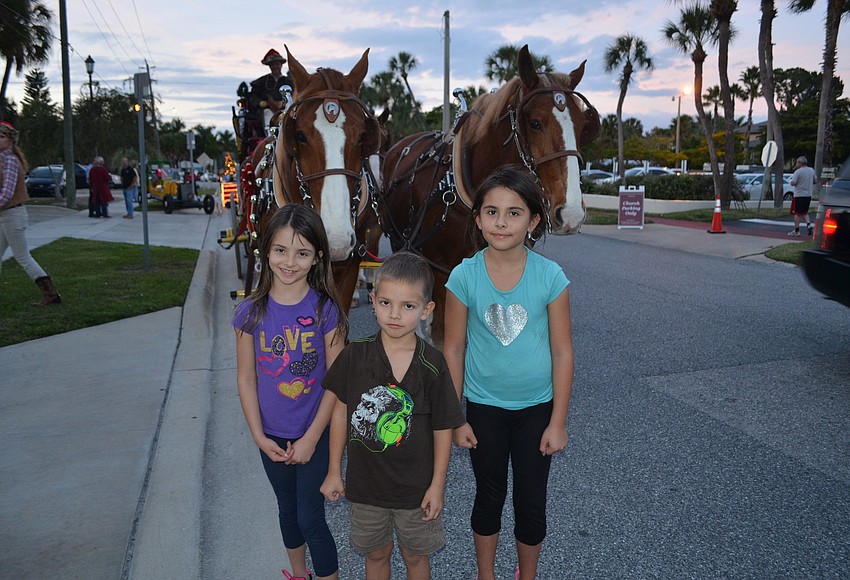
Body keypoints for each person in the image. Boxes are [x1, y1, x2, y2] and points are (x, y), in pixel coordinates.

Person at [443, 167, 575, 580]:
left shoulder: (550, 277)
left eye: (514, 213)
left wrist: (558, 422)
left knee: (531, 502)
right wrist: (455, 416)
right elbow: (454, 348)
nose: (502, 222)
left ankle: (528, 574)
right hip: (484, 409)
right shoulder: (464, 276)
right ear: (478, 218)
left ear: (533, 221)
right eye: (492, 211)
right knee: (488, 496)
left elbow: (562, 352)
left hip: (537, 409)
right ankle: (487, 574)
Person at [320, 252, 465, 580]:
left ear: (427, 310)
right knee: (376, 554)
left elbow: (443, 427)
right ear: (372, 300)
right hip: (366, 489)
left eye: (408, 306)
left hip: (416, 492)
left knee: (415, 557)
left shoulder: (434, 365)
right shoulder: (354, 356)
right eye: (386, 303)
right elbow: (340, 414)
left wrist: (437, 485)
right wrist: (333, 471)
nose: (395, 315)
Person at [232, 203, 346, 580]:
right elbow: (247, 378)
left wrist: (314, 438)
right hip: (271, 436)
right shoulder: (250, 312)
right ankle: (299, 575)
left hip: (313, 431)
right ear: (266, 251)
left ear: (317, 258)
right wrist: (259, 436)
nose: (290, 261)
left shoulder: (325, 310)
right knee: (287, 509)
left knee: (311, 517)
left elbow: (336, 382)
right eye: (281, 250)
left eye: (302, 253)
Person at [0, 121, 62, 306]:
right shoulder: (2, 160)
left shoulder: (10, 161)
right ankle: (51, 295)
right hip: (5, 215)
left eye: (2, 137)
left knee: (22, 257)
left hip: (13, 215)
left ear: (11, 141)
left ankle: (51, 294)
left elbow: (6, 193)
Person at [249, 48, 294, 130]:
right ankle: (270, 135)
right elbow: (252, 96)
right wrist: (260, 102)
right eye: (272, 65)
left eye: (277, 64)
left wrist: (285, 103)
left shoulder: (289, 82)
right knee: (267, 114)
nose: (275, 66)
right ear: (269, 66)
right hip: (267, 110)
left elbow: (295, 95)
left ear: (281, 65)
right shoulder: (262, 81)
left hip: (286, 110)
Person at [789, 155, 816, 237]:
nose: (796, 164)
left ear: (800, 163)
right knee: (805, 212)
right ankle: (809, 225)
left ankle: (797, 230)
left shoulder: (798, 172)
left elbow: (793, 182)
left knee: (796, 213)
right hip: (808, 194)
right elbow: (815, 181)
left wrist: (791, 182)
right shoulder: (811, 170)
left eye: (797, 162)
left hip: (799, 195)